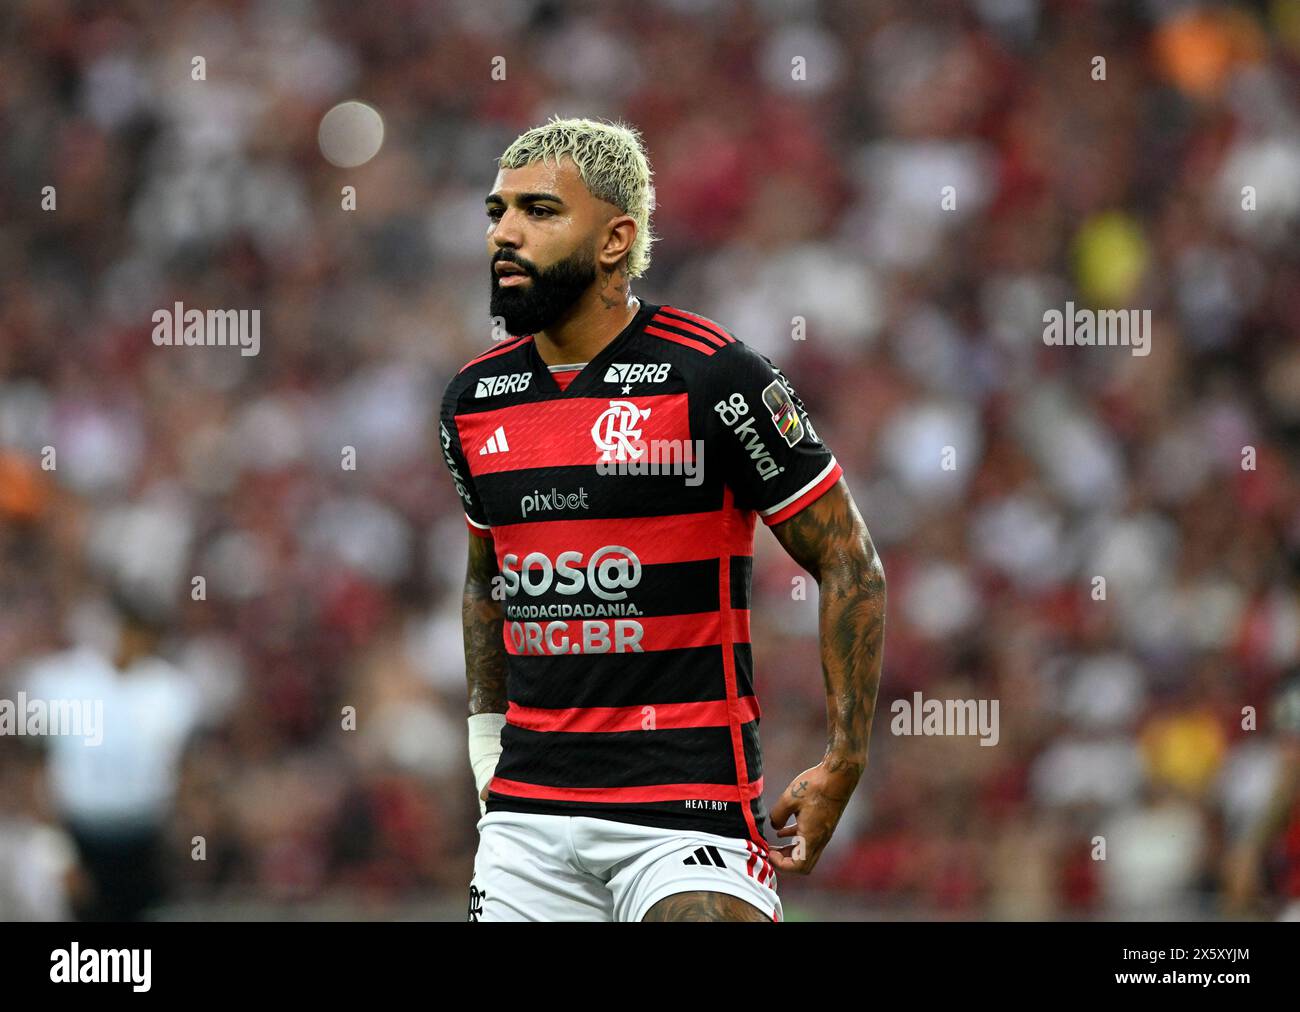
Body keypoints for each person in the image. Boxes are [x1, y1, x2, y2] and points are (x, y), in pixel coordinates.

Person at [439, 116, 886, 922]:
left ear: (616, 240)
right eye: (496, 212)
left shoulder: (716, 376)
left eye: (539, 212)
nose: (505, 233)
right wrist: (483, 738)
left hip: (687, 810)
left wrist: (844, 757)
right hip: (526, 820)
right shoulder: (472, 400)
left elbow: (850, 561)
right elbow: (486, 582)